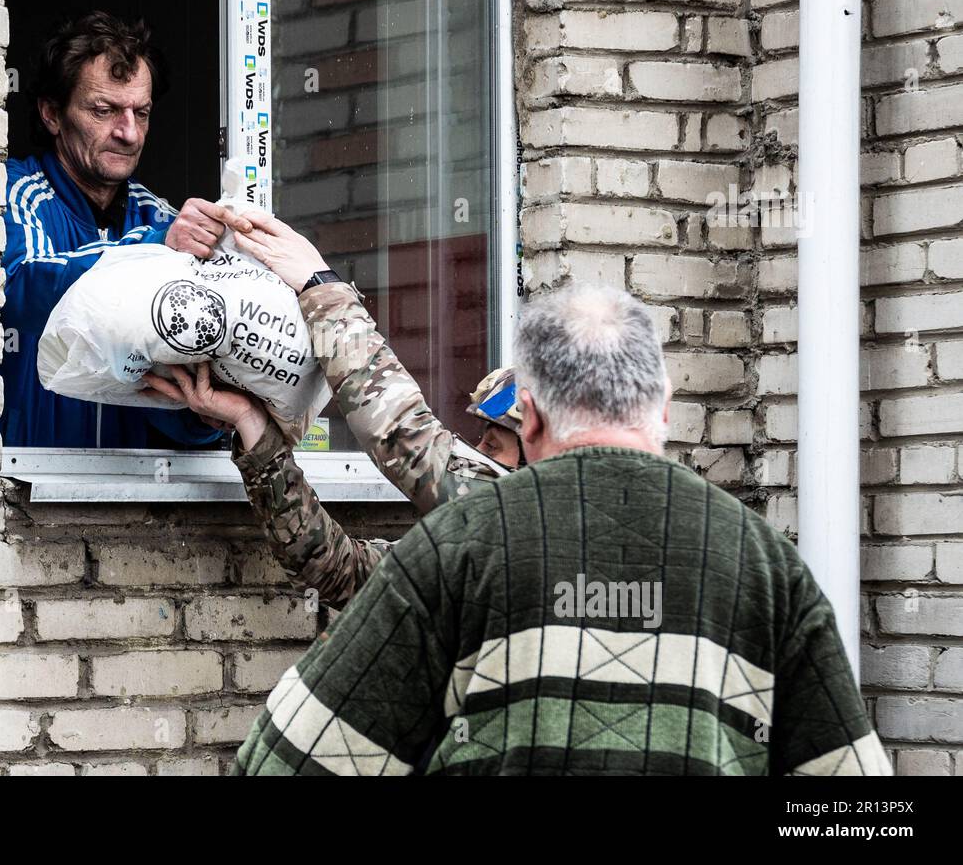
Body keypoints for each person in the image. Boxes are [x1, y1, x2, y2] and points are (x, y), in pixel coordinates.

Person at [232, 284, 891, 776]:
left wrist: (316, 292)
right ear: (663, 408)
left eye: (499, 435)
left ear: (532, 421)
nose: (484, 450)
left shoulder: (463, 542)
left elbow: (285, 763)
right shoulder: (764, 566)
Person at [144, 212, 520, 608]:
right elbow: (337, 572)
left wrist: (320, 287)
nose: (476, 454)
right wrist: (251, 424)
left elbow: (401, 437)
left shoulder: (541, 529)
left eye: (493, 447)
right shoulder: (480, 562)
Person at [0, 11, 252, 448]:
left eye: (142, 112)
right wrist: (154, 252)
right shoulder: (13, 191)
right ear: (52, 114)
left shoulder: (160, 217)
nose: (129, 133)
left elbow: (166, 396)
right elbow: (22, 285)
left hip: (129, 501)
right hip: (27, 490)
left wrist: (206, 417)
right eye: (105, 110)